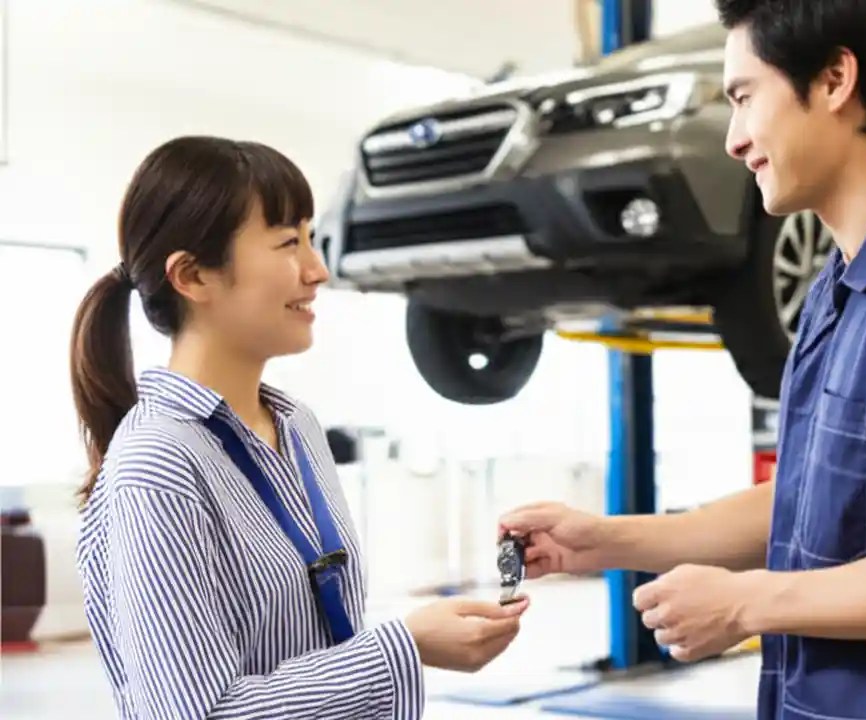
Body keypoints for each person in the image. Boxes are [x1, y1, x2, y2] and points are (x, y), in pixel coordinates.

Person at [499, 1, 866, 718]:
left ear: (834, 80)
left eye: (743, 97)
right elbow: (813, 499)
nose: (735, 139)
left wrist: (747, 603)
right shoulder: (839, 288)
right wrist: (606, 541)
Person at [71, 136, 528, 719]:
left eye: (311, 239)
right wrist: (403, 648)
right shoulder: (157, 465)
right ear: (192, 276)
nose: (317, 271)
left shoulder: (296, 426)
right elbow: (195, 714)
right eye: (289, 242)